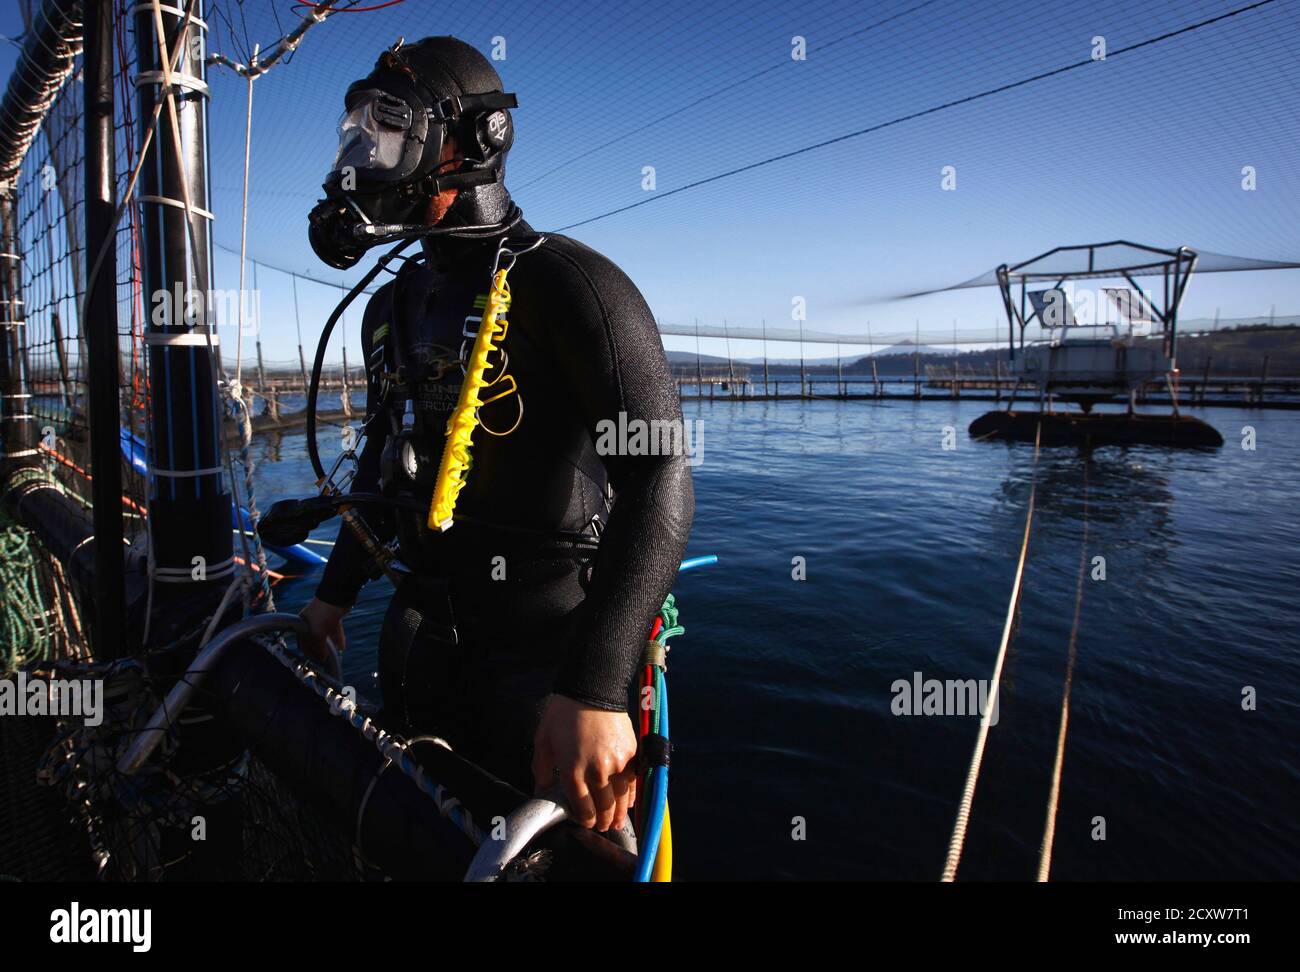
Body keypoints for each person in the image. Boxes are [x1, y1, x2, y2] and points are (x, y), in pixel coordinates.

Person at [298, 36, 694, 836]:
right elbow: (385, 462)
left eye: (390, 131)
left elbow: (660, 477)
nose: (366, 158)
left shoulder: (572, 286)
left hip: (550, 662)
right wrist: (331, 599)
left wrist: (596, 687)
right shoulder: (393, 307)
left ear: (474, 140)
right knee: (418, 836)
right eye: (357, 136)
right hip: (422, 646)